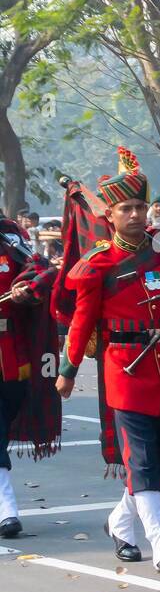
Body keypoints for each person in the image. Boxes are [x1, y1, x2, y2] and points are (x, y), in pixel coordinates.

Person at [56, 146, 160, 575]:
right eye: (125, 207)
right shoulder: (97, 264)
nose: (134, 214)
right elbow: (82, 319)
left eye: (140, 206)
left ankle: (119, 523)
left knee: (156, 458)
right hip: (123, 367)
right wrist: (68, 370)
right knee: (141, 459)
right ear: (109, 214)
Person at [0, 220, 60, 536]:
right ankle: (7, 508)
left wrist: (28, 288)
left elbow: (44, 270)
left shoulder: (10, 239)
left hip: (12, 356)